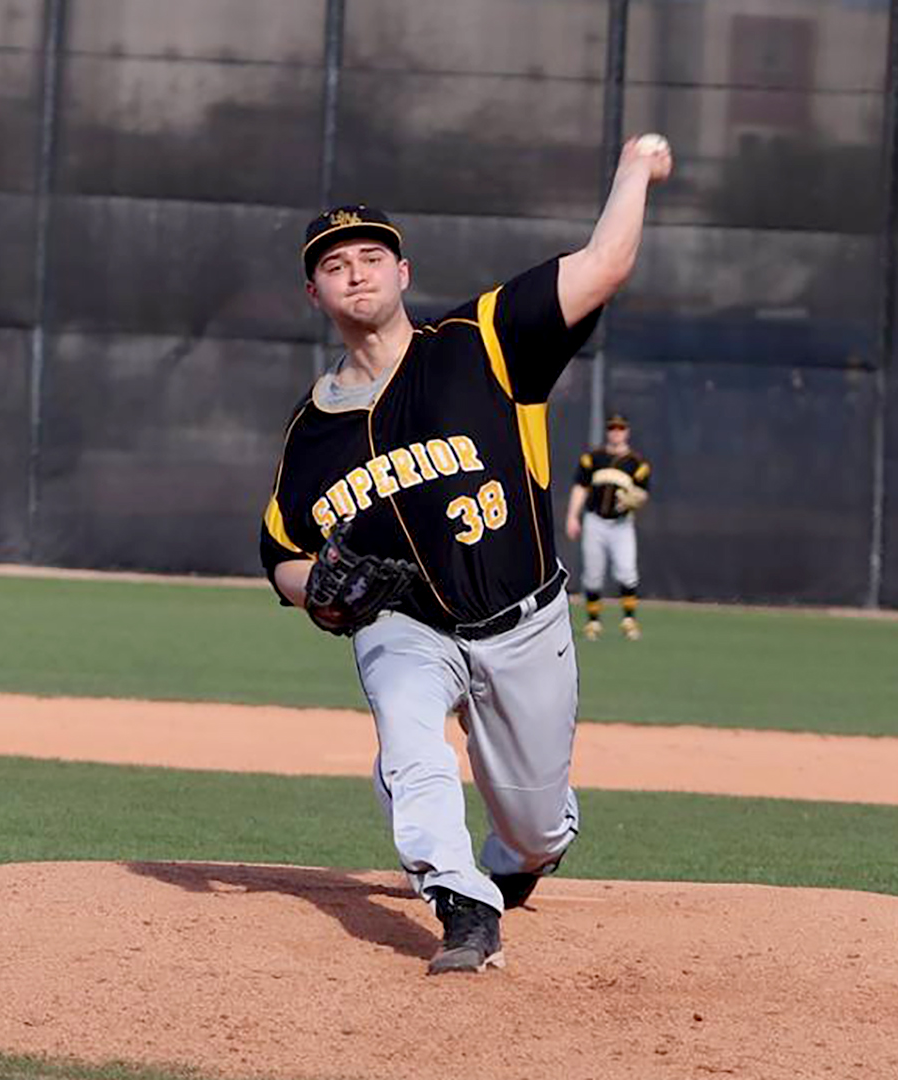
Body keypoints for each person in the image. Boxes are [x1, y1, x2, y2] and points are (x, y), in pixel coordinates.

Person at [257, 135, 674, 975]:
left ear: (403, 274)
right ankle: (461, 903)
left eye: (373, 256)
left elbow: (603, 264)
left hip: (524, 623)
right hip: (406, 626)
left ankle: (522, 855)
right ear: (315, 293)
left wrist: (633, 172)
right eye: (336, 265)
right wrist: (319, 590)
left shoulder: (482, 341)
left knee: (531, 827)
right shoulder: (310, 433)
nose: (357, 273)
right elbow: (279, 552)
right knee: (408, 748)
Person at [566, 412, 652, 641]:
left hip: (622, 525)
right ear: (607, 431)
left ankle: (629, 620)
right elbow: (580, 488)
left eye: (620, 428)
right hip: (595, 522)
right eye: (612, 428)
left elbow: (643, 493)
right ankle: (593, 623)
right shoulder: (592, 458)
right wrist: (572, 516)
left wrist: (636, 498)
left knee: (626, 572)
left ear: (627, 431)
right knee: (593, 575)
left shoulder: (637, 463)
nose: (616, 432)